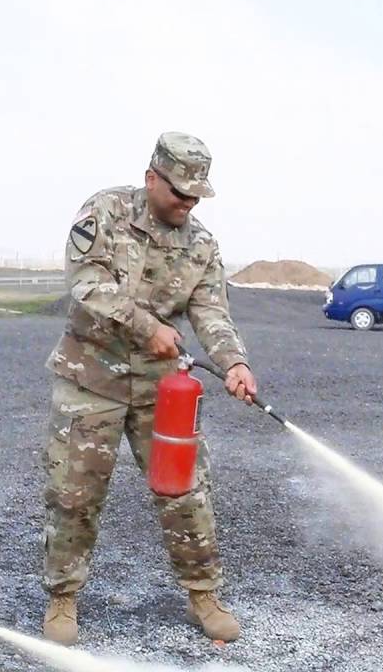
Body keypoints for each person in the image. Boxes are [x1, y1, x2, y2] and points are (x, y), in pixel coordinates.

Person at [41, 131, 257, 645]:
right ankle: (63, 599)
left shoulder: (201, 245)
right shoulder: (106, 210)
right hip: (90, 379)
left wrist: (234, 362)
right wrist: (147, 327)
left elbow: (210, 311)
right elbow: (87, 282)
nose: (186, 202)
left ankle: (203, 594)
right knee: (75, 495)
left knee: (186, 493)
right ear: (151, 178)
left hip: (162, 391)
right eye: (179, 191)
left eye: (195, 195)